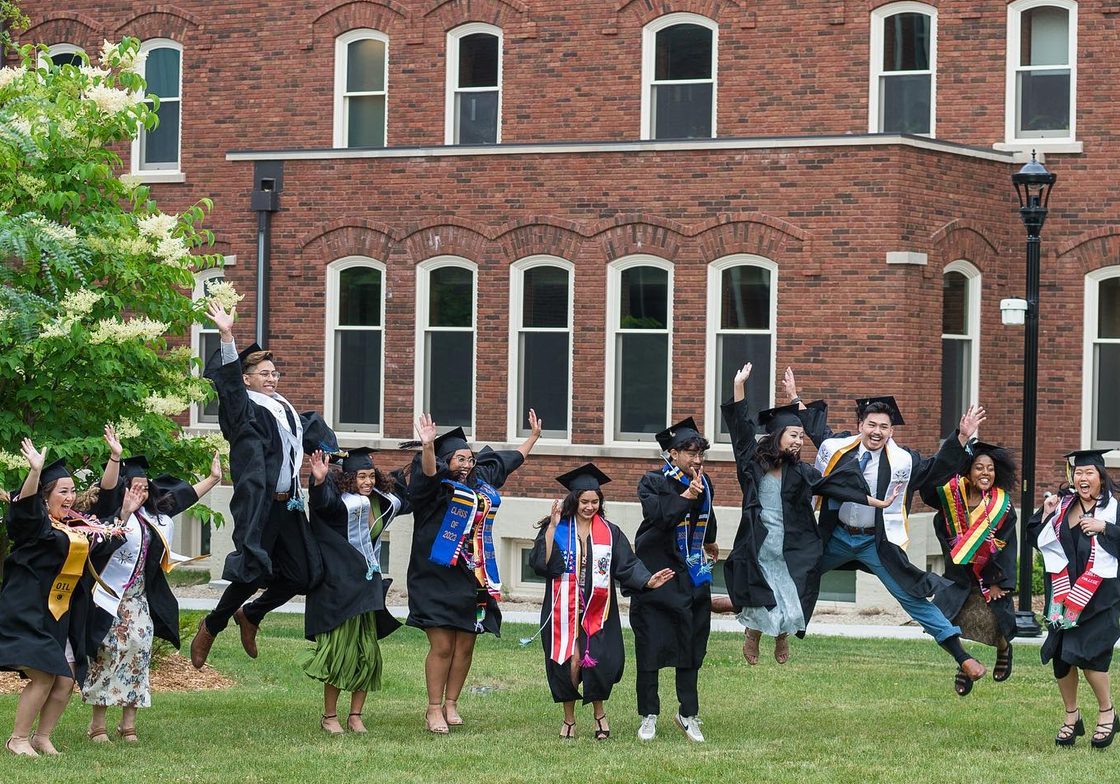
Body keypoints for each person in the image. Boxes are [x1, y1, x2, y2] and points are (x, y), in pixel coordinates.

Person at [786, 368, 989, 695]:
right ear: (860, 427)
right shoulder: (839, 449)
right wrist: (795, 399)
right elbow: (815, 429)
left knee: (911, 596)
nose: (877, 432)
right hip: (835, 536)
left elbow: (937, 469)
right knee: (793, 570)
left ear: (891, 431)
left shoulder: (904, 461)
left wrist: (961, 438)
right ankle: (770, 632)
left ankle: (961, 656)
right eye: (871, 425)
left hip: (875, 542)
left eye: (884, 426)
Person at [714, 363, 898, 664]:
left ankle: (782, 636)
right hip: (759, 543)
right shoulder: (751, 464)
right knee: (761, 594)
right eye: (794, 435)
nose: (799, 441)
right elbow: (740, 429)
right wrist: (739, 387)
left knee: (792, 595)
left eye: (801, 436)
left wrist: (876, 503)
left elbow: (834, 486)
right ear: (777, 435)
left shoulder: (801, 471)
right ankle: (753, 633)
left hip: (792, 545)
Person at [190, 301, 324, 669]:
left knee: (304, 573)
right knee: (252, 571)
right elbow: (229, 388)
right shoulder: (243, 408)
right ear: (246, 379)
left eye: (274, 372)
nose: (271, 378)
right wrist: (227, 336)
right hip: (261, 504)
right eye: (263, 373)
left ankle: (251, 615)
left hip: (289, 504)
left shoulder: (283, 406)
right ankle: (212, 625)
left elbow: (306, 435)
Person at [0, 440, 138, 757]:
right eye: (62, 491)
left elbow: (99, 548)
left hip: (58, 614)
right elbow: (24, 509)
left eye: (72, 490)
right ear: (45, 496)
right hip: (27, 610)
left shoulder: (73, 527)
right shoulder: (35, 526)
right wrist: (34, 471)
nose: (70, 496)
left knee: (64, 679)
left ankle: (41, 737)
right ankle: (17, 739)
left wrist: (125, 514)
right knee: (45, 673)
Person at [406, 412, 541, 733]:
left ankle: (452, 703)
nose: (465, 464)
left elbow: (509, 461)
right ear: (445, 461)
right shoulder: (435, 487)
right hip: (435, 575)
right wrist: (427, 446)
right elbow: (427, 472)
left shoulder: (480, 481)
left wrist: (533, 438)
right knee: (441, 646)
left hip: (473, 573)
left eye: (469, 458)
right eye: (458, 459)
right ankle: (433, 708)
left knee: (466, 643)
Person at [81, 441, 222, 744]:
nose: (141, 493)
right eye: (135, 487)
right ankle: (98, 725)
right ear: (124, 488)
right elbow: (107, 492)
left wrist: (212, 479)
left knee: (138, 654)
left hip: (138, 600)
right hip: (109, 598)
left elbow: (183, 497)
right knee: (108, 655)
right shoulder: (110, 512)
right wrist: (115, 458)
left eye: (145, 488)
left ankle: (128, 724)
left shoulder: (154, 515)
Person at [529, 464, 674, 739]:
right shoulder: (557, 528)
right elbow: (540, 563)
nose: (590, 507)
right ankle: (569, 719)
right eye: (584, 501)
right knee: (567, 662)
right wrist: (552, 527)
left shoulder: (610, 531)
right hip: (563, 607)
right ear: (574, 500)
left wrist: (647, 580)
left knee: (596, 661)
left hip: (599, 608)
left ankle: (600, 714)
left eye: (595, 501)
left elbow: (627, 565)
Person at [302, 447, 409, 736]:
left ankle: (356, 715)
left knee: (368, 653)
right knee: (339, 653)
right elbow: (322, 504)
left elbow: (407, 497)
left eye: (371, 476)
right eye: (361, 476)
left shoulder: (379, 502)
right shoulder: (338, 504)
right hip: (338, 589)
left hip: (366, 586)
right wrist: (320, 480)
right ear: (348, 478)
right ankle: (329, 716)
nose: (368, 482)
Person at [630, 415, 717, 743]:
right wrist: (686, 497)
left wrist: (711, 541)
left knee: (693, 644)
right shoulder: (652, 482)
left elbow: (709, 520)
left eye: (701, 454)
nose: (697, 460)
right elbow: (660, 517)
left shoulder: (705, 483)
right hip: (658, 573)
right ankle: (648, 714)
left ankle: (688, 713)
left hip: (696, 571)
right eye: (690, 453)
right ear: (672, 454)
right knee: (651, 645)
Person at [1029, 450, 1119, 749]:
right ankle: (1072, 717)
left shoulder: (1113, 510)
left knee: (1092, 659)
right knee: (1061, 659)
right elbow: (1035, 539)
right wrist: (1045, 513)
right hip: (1064, 595)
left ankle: (1107, 713)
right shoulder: (1063, 506)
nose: (1082, 478)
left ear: (1101, 478)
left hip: (1101, 598)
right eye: (1078, 473)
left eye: (1089, 473)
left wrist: (1104, 528)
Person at [919, 441, 1018, 693]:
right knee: (941, 621)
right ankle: (963, 660)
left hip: (987, 578)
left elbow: (1008, 546)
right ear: (967, 471)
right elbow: (936, 514)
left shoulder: (1002, 506)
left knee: (995, 623)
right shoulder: (952, 498)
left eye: (990, 469)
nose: (985, 473)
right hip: (958, 576)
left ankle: (1004, 648)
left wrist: (999, 581)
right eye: (979, 468)